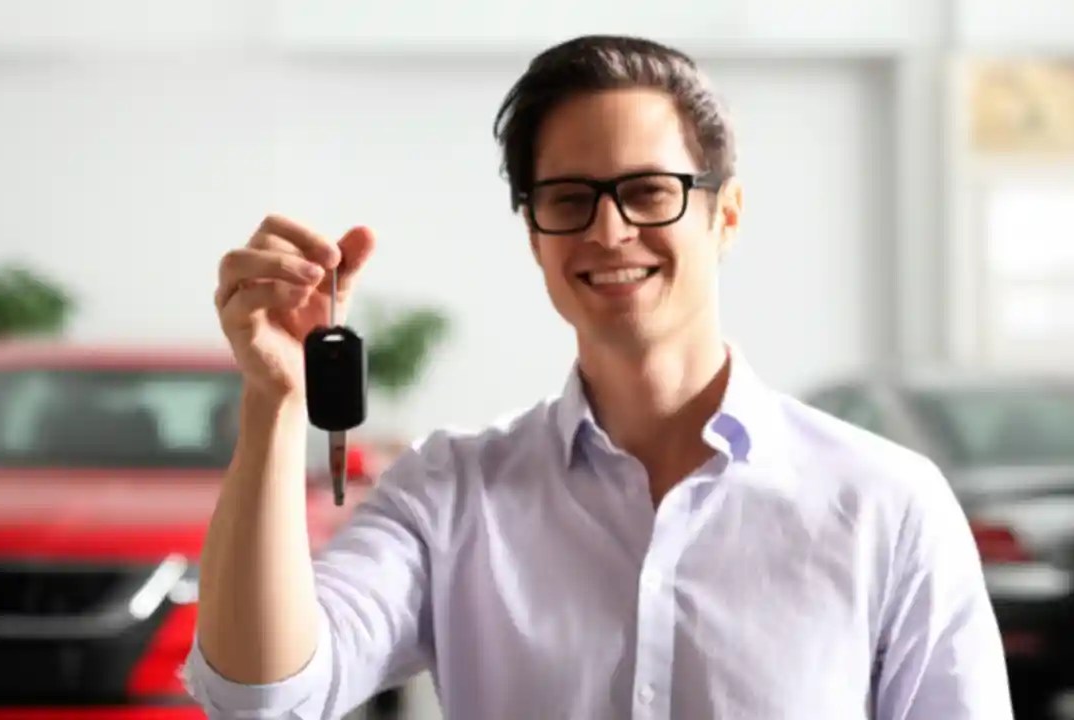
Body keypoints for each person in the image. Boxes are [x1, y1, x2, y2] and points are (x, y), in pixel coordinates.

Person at [186, 34, 1014, 719]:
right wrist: (274, 401)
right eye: (569, 198)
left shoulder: (888, 504)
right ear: (534, 234)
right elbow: (263, 695)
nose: (610, 230)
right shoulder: (449, 494)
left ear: (724, 216)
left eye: (650, 192)